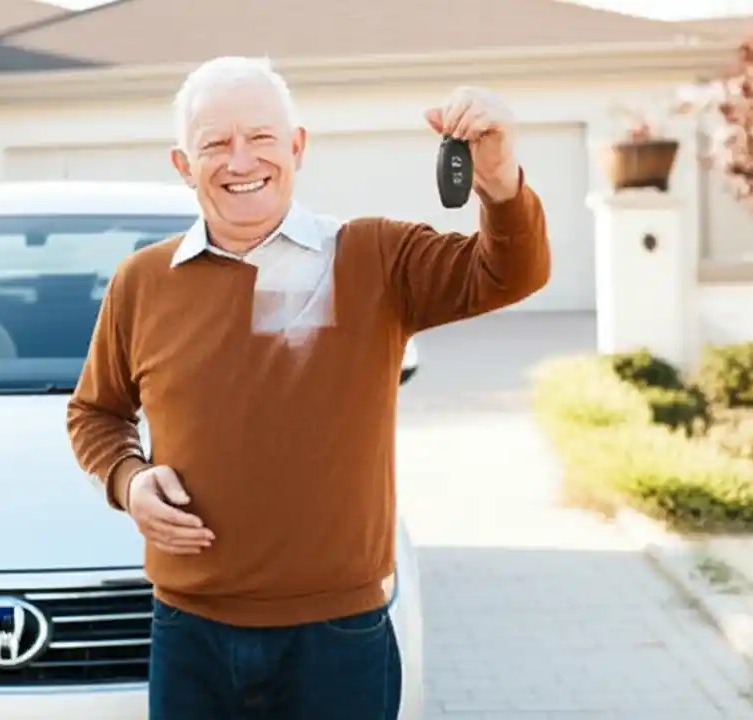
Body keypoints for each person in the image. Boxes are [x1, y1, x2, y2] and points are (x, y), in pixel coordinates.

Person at [65, 55, 550, 720]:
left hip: (338, 638)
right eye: (216, 143)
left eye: (261, 138)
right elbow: (95, 412)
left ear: (297, 147)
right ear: (184, 164)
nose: (241, 161)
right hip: (190, 634)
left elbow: (510, 273)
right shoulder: (142, 282)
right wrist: (128, 480)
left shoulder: (375, 257)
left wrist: (498, 183)